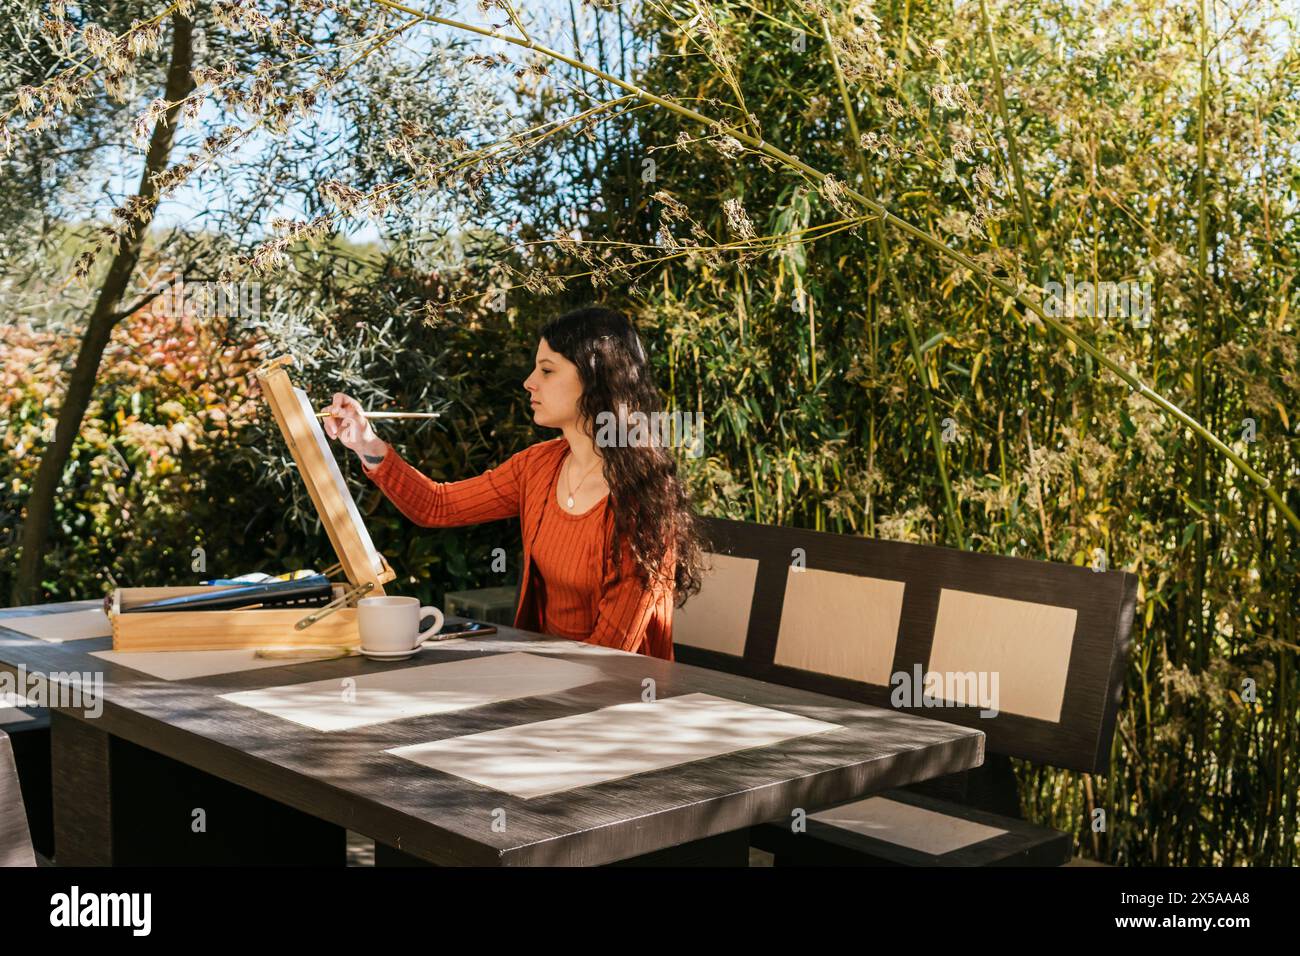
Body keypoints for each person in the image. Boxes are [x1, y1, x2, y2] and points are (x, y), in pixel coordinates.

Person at [323, 305, 707, 660]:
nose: (529, 382)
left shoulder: (643, 502)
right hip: (544, 676)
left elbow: (608, 657)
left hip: (617, 704)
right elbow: (437, 506)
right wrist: (365, 442)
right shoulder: (538, 466)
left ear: (596, 379)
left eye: (547, 370)